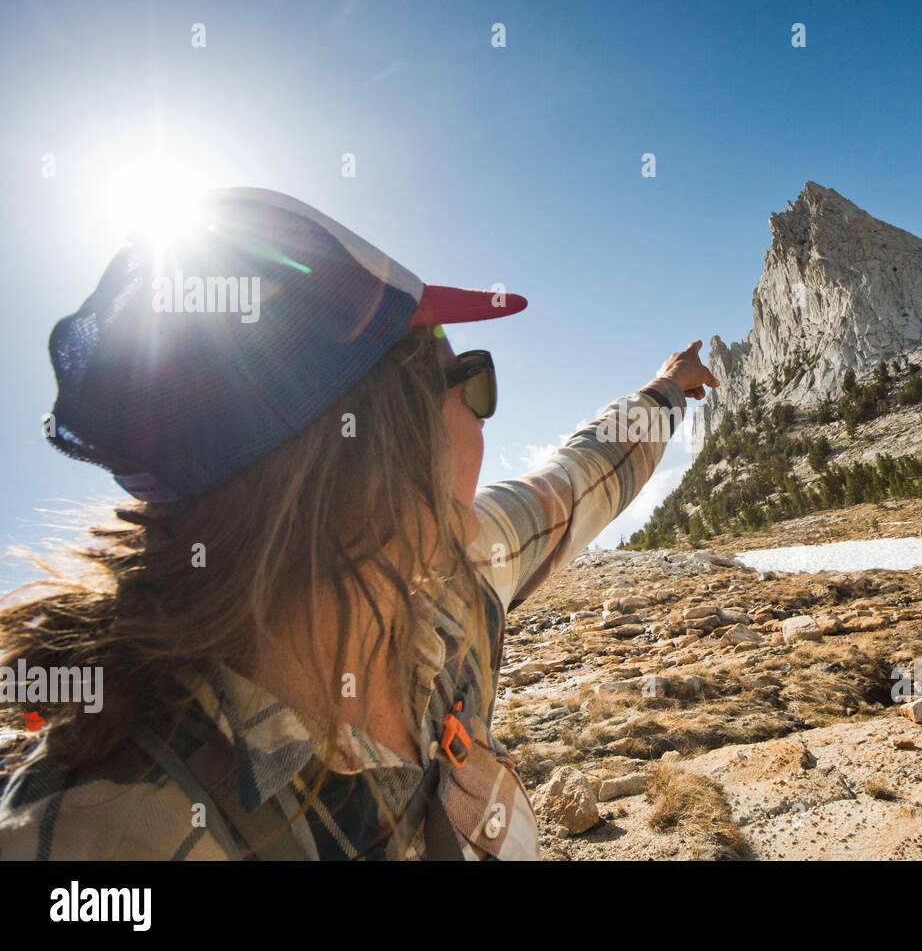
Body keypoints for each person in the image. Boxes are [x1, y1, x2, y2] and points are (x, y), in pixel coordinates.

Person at [0, 188, 718, 860]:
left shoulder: (447, 582)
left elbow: (575, 479)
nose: (482, 413)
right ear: (381, 447)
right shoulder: (104, 832)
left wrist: (666, 388)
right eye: (470, 376)